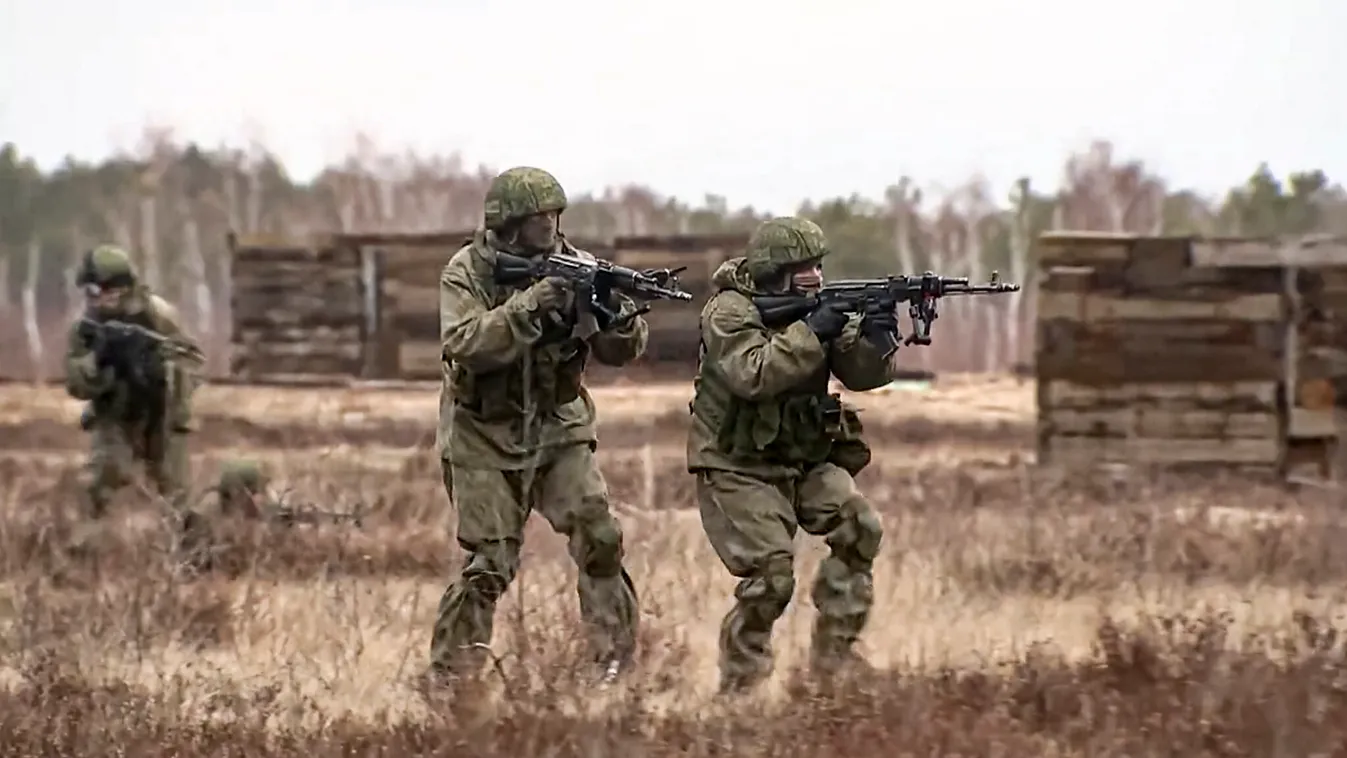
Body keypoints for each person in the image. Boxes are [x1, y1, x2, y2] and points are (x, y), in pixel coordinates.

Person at [429, 166, 644, 685]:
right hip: (482, 433)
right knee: (490, 564)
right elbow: (467, 343)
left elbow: (622, 352)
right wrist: (535, 301)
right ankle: (454, 680)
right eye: (537, 217)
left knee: (600, 536)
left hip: (557, 427)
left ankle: (612, 663)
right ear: (507, 223)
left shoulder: (578, 266)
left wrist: (614, 315)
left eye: (554, 214)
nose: (549, 225)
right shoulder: (469, 272)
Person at [686, 216, 896, 694]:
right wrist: (812, 329)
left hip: (803, 458)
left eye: (819, 266)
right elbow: (752, 373)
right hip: (737, 464)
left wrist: (878, 341)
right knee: (772, 576)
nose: (816, 278)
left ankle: (833, 664)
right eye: (804, 268)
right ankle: (743, 687)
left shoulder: (816, 309)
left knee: (860, 527)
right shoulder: (728, 311)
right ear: (775, 272)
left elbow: (862, 374)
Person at [63, 245, 204, 543]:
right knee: (97, 485)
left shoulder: (158, 315)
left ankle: (195, 558)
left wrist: (159, 368)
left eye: (101, 289)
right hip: (114, 414)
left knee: (177, 494)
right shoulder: (85, 329)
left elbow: (193, 362)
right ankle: (80, 554)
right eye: (89, 291)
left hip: (162, 413)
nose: (95, 298)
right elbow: (76, 385)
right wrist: (100, 362)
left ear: (122, 287)